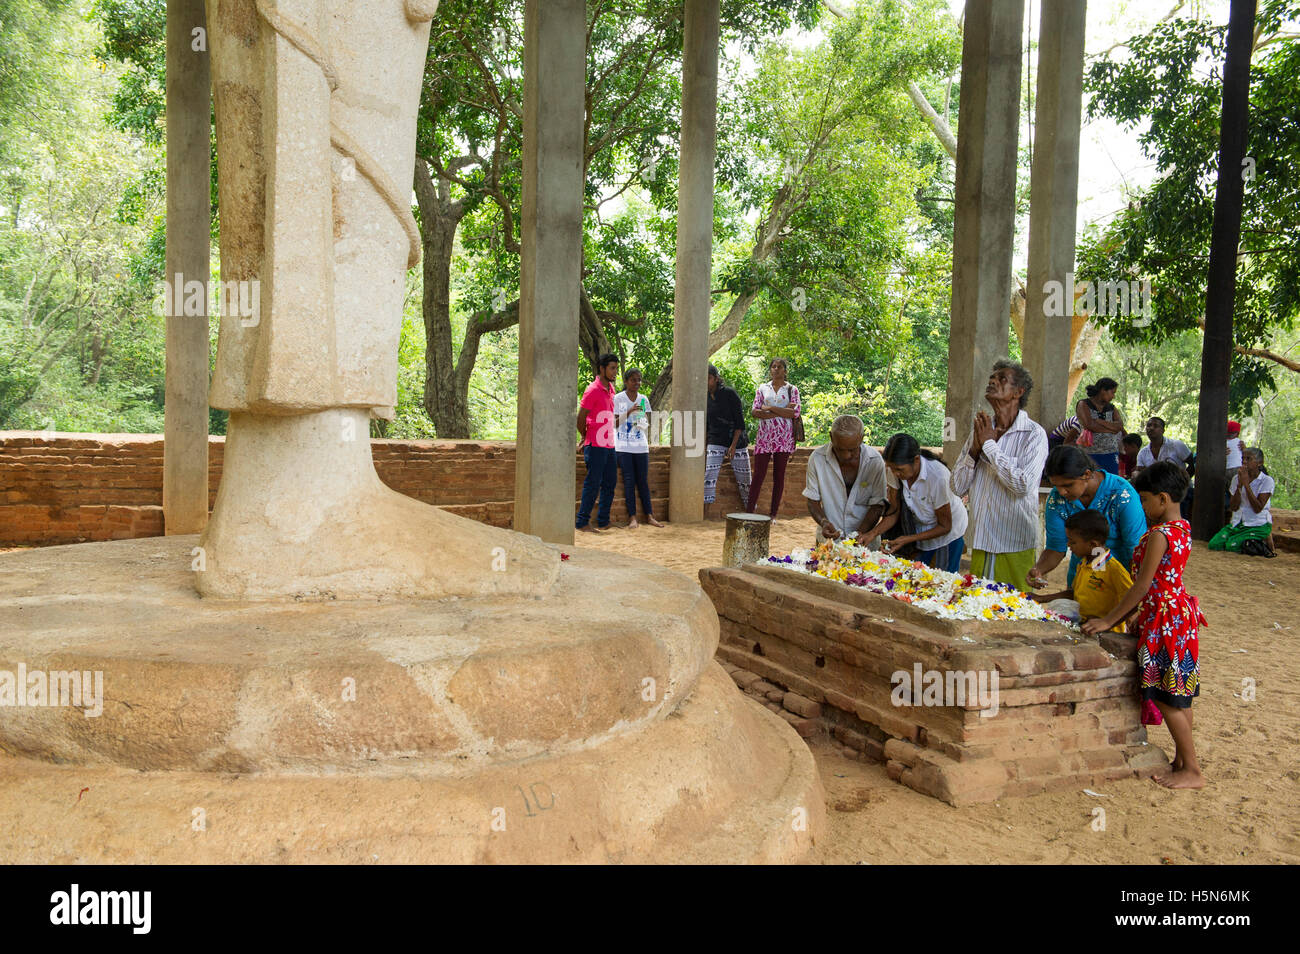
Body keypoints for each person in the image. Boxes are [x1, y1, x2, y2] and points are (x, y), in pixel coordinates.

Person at [1083, 462, 1205, 790]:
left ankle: (1192, 769)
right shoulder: (1183, 528)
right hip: (1177, 615)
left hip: (1165, 620)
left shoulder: (1160, 536)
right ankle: (1182, 760)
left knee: (1165, 696)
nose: (1143, 506)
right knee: (1178, 692)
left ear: (1163, 499)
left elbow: (1141, 586)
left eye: (1146, 499)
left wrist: (1111, 619)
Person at [949, 359, 1049, 592]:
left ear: (1018, 392)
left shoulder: (1033, 434)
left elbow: (1023, 484)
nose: (993, 381)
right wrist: (974, 451)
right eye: (992, 378)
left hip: (1013, 542)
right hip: (982, 541)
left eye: (1002, 379)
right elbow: (957, 487)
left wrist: (990, 447)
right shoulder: (982, 430)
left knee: (1013, 611)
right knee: (980, 607)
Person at [1027, 445, 1147, 591]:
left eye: (1067, 485)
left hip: (1119, 585)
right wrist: (1039, 569)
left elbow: (1135, 550)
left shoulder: (1122, 495)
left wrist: (1134, 594)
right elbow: (1056, 548)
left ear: (1087, 474)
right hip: (1081, 584)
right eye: (1056, 485)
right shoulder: (1057, 499)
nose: (1062, 492)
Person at [860, 433, 967, 572]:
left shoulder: (938, 476)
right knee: (915, 576)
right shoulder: (894, 470)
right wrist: (872, 534)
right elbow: (894, 511)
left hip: (948, 533)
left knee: (943, 579)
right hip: (921, 528)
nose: (895, 473)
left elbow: (945, 526)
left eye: (899, 469)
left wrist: (907, 539)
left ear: (916, 460)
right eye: (892, 468)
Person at [1030, 510, 1134, 633]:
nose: (1068, 545)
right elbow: (1074, 593)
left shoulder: (1114, 570)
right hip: (1084, 627)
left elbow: (1133, 601)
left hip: (1108, 633)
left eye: (1073, 542)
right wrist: (1041, 598)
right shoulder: (1084, 563)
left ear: (1092, 544)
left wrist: (1107, 621)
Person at [803, 415, 887, 543]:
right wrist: (823, 522)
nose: (846, 455)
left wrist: (859, 534)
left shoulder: (874, 461)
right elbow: (812, 500)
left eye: (852, 450)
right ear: (831, 437)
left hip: (864, 543)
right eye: (840, 449)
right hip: (828, 543)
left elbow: (877, 505)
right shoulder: (817, 458)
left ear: (862, 438)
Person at [746, 358, 802, 519]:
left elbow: (794, 413)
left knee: (779, 476)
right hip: (764, 437)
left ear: (785, 370)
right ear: (770, 370)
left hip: (784, 439)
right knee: (758, 475)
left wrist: (769, 408)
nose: (776, 369)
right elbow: (755, 411)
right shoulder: (763, 388)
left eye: (779, 367)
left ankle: (773, 515)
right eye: (773, 366)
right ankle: (749, 512)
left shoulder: (792, 389)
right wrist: (782, 410)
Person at [613, 368, 663, 529]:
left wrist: (641, 421)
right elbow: (614, 424)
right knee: (629, 481)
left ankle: (649, 516)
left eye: (639, 380)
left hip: (641, 446)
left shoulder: (643, 399)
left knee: (643, 481)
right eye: (633, 380)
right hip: (623, 446)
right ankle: (632, 518)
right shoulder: (618, 398)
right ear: (626, 381)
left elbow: (645, 421)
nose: (637, 383)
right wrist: (629, 411)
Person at [576, 353, 620, 533]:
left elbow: (610, 419)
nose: (615, 372)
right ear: (602, 369)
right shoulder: (592, 390)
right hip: (595, 445)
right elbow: (581, 417)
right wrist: (585, 437)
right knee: (593, 483)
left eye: (616, 368)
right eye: (612, 368)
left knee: (610, 482)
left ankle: (603, 520)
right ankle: (582, 522)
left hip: (609, 445)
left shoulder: (611, 389)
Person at [704, 365, 751, 519]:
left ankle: (750, 513)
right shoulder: (704, 397)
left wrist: (733, 445)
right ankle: (704, 515)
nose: (706, 381)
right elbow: (706, 424)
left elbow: (740, 423)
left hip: (736, 440)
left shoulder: (730, 394)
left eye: (709, 378)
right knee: (709, 476)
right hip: (715, 439)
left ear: (716, 379)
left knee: (745, 481)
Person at [1209, 447, 1275, 555]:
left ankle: (1260, 541)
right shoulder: (1236, 478)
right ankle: (1248, 540)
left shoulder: (1266, 481)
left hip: (1257, 523)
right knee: (1214, 544)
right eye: (1243, 458)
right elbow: (1234, 507)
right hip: (1238, 522)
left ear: (1260, 463)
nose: (1244, 462)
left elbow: (1258, 508)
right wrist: (1239, 486)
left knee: (1232, 546)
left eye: (1248, 459)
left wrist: (1246, 484)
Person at [1075, 377, 1125, 474]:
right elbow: (1089, 425)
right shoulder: (1084, 404)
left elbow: (1119, 426)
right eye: (1112, 392)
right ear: (1103, 390)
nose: (1113, 396)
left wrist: (1100, 422)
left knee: (1110, 481)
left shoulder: (1112, 408)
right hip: (1089, 454)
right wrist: (1112, 429)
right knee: (1089, 481)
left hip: (1110, 453)